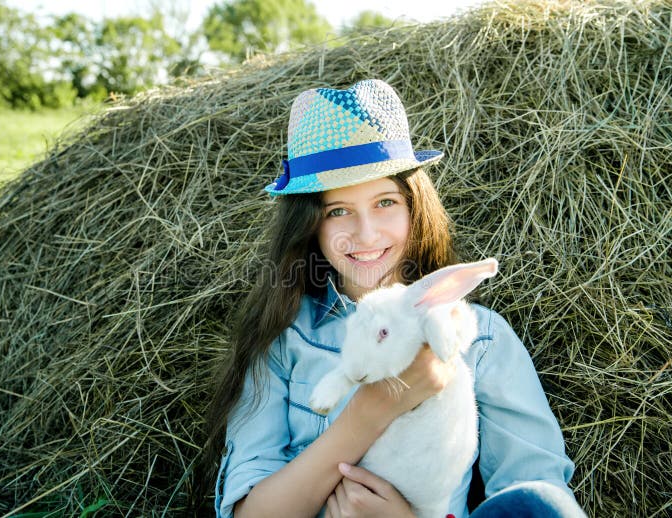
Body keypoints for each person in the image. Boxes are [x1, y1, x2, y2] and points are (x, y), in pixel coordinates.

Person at [204, 79, 585, 518]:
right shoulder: (283, 340)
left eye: (385, 202)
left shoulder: (481, 338)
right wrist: (368, 414)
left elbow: (530, 492)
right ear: (310, 224)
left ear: (413, 207)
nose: (366, 234)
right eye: (338, 211)